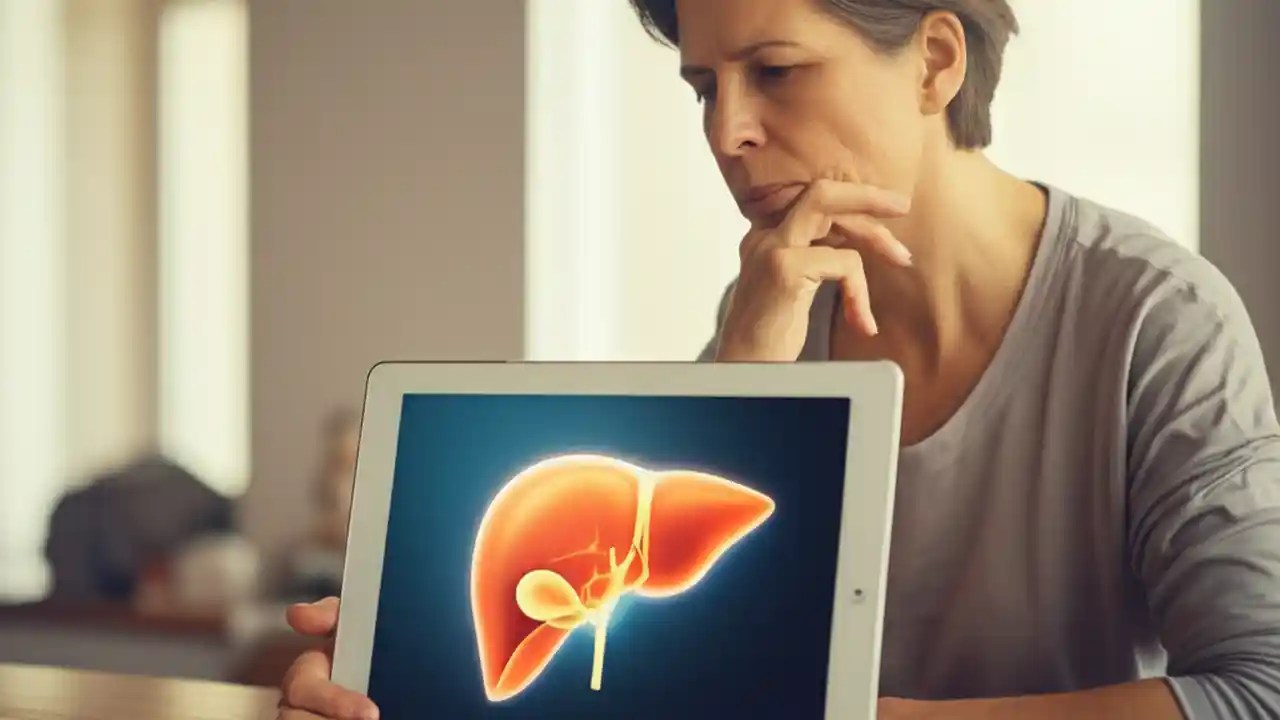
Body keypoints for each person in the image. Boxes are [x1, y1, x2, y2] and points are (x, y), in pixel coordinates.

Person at [274, 1, 1280, 718]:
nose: (725, 131)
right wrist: (405, 662)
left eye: (776, 71)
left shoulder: (1159, 319)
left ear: (934, 61)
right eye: (701, 86)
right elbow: (678, 659)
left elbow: (1256, 687)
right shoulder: (767, 305)